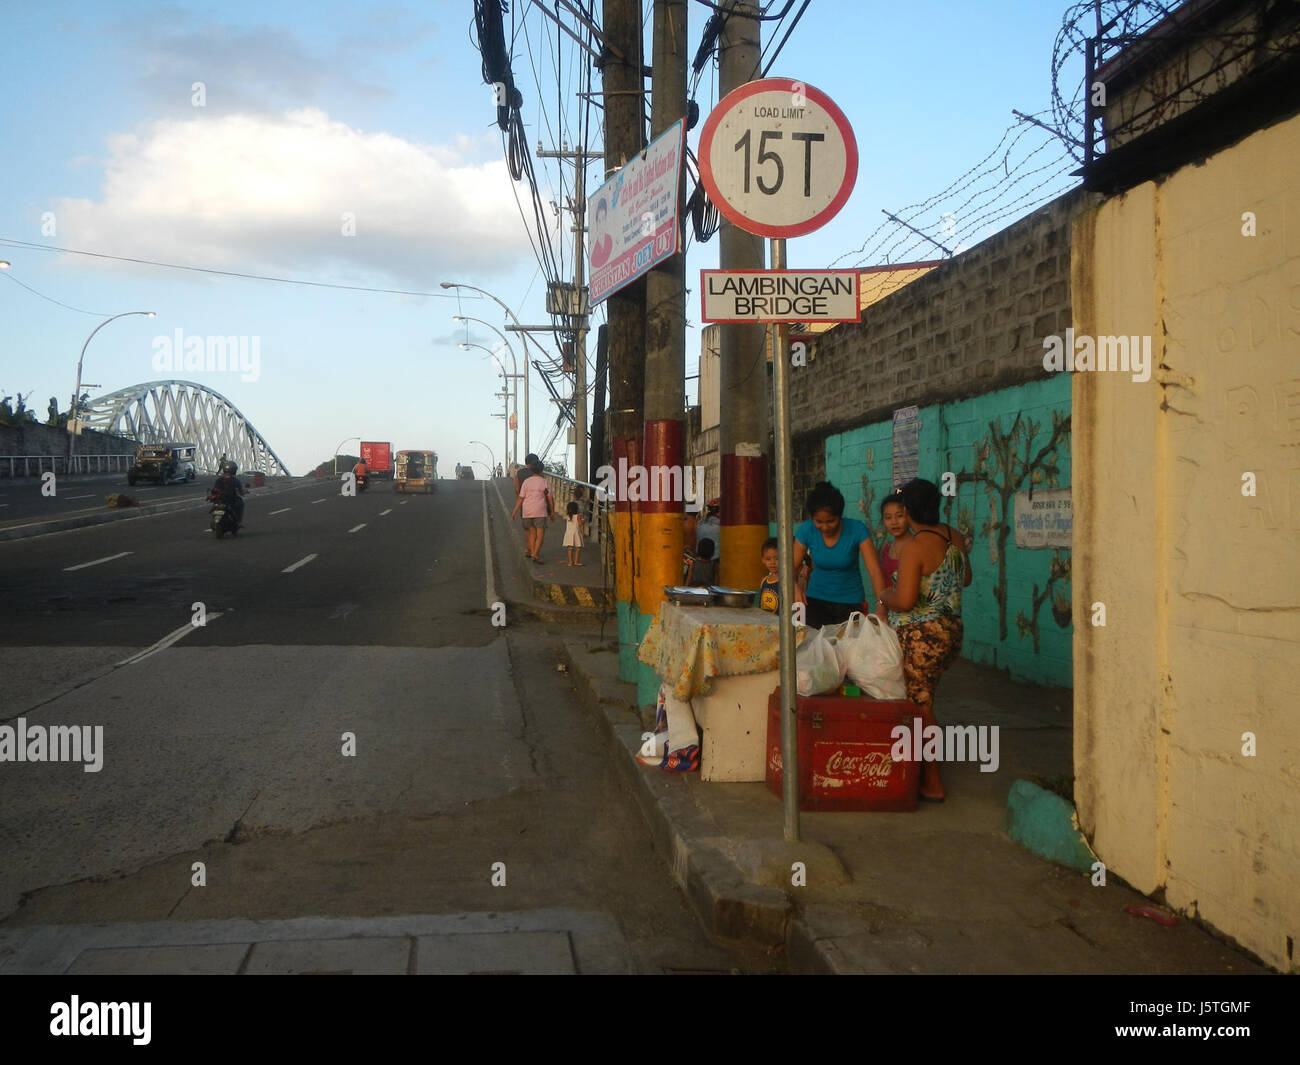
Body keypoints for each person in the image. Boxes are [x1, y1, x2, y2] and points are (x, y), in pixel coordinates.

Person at [877, 477, 973, 803]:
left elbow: (904, 601)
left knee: (921, 706)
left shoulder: (915, 547)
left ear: (909, 511)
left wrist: (883, 594)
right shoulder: (953, 536)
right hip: (952, 632)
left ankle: (931, 780)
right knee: (926, 701)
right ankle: (921, 769)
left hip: (922, 637)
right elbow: (966, 578)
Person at [793, 481, 887, 630]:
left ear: (840, 515)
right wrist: (795, 587)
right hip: (814, 602)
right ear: (812, 518)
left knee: (850, 650)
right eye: (819, 522)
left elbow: (875, 571)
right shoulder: (806, 530)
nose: (825, 527)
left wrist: (881, 605)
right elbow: (791, 567)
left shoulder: (857, 530)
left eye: (831, 521)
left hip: (850, 604)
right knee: (811, 647)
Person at [511, 460, 554, 563]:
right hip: (540, 511)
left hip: (527, 511)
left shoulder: (526, 482)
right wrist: (552, 512)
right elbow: (549, 499)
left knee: (531, 533)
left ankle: (531, 552)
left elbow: (521, 498)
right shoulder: (544, 482)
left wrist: (514, 511)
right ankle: (535, 553)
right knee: (540, 534)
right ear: (541, 470)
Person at [754, 537, 807, 613]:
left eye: (777, 558)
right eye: (768, 559)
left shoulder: (788, 582)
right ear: (763, 560)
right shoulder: (764, 581)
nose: (772, 562)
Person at [878, 491, 913, 587]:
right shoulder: (886, 549)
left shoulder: (916, 546)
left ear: (909, 516)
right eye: (888, 517)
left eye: (900, 516)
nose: (894, 522)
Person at [210, 460, 245, 526]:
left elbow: (215, 489)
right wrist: (243, 492)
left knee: (214, 506)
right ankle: (238, 521)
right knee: (241, 503)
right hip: (230, 499)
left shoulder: (219, 479)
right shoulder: (235, 480)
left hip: (220, 499)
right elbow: (241, 491)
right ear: (234, 470)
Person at [563, 500, 586, 566]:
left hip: (568, 534)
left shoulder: (568, 516)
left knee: (570, 548)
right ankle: (576, 561)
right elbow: (580, 524)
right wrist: (584, 520)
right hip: (576, 533)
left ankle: (570, 562)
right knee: (578, 548)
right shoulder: (577, 516)